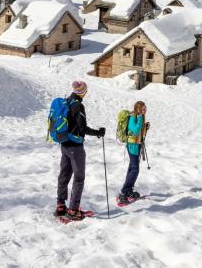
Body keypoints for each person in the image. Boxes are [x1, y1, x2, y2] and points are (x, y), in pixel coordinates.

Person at [56, 80, 106, 220]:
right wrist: (98, 132)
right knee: (79, 178)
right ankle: (73, 210)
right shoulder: (78, 105)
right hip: (75, 147)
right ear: (83, 92)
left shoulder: (66, 101)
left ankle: (60, 206)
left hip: (64, 144)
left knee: (64, 175)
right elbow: (82, 128)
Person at [118, 101, 149, 204]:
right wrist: (140, 118)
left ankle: (128, 190)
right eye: (143, 108)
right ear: (138, 109)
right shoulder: (133, 117)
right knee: (135, 169)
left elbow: (140, 131)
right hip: (132, 145)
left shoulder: (139, 117)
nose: (145, 110)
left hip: (137, 144)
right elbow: (135, 130)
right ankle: (124, 192)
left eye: (145, 108)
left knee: (132, 167)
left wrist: (145, 127)